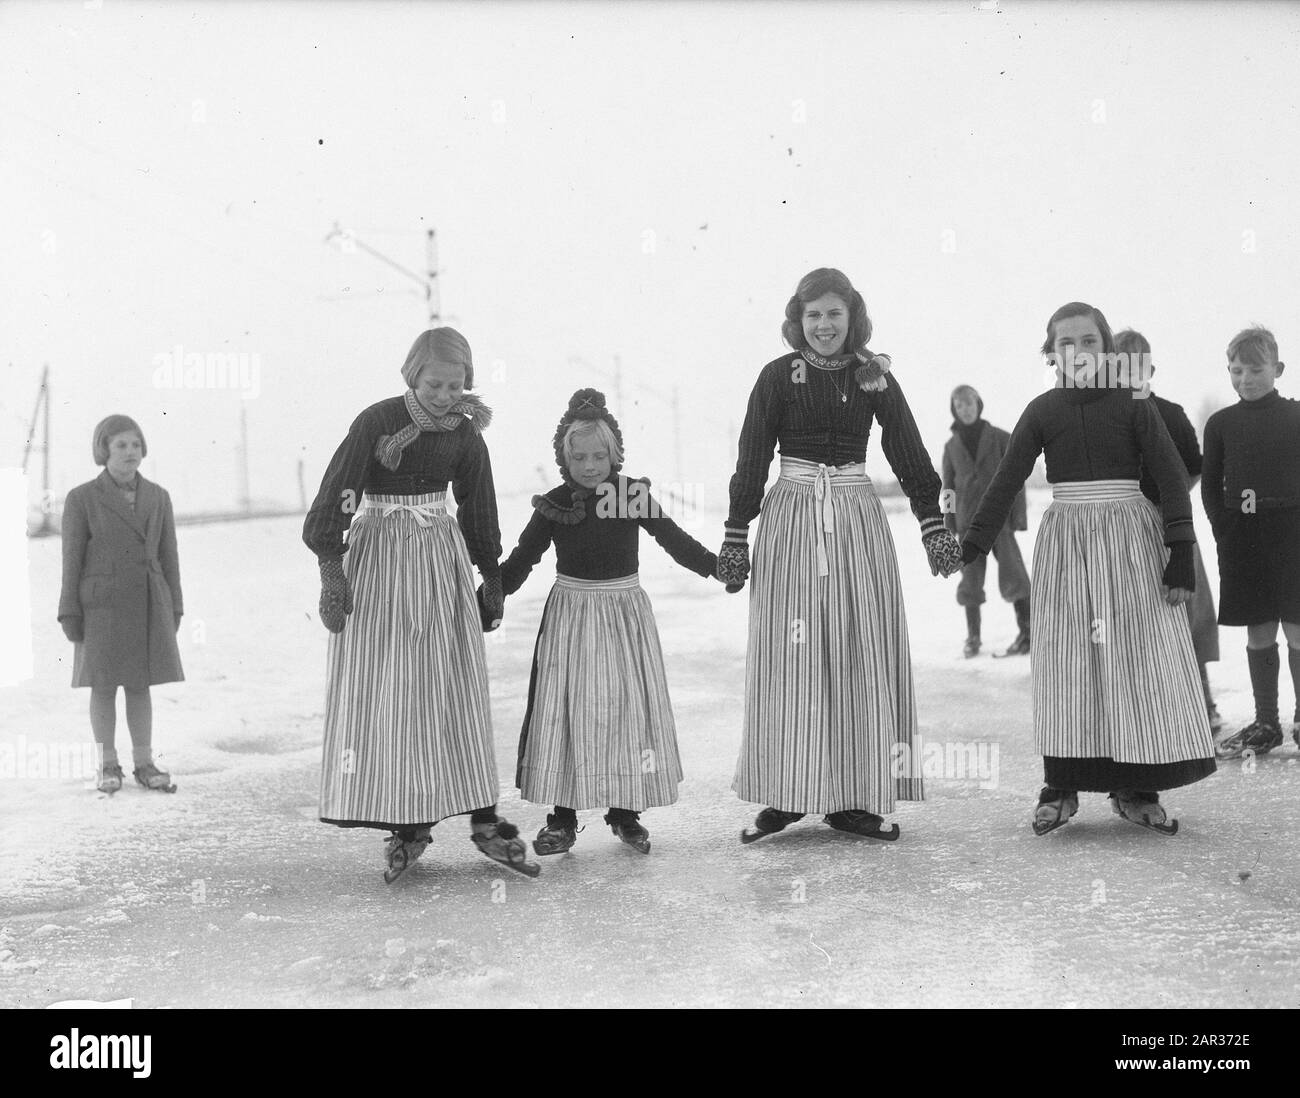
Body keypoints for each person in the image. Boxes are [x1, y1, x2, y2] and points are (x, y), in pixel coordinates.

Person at [717, 267, 962, 845]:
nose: (823, 325)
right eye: (812, 315)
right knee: (791, 653)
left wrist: (933, 523)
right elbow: (752, 454)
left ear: (853, 318)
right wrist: (734, 532)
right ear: (796, 321)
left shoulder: (872, 375)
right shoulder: (777, 376)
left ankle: (856, 796)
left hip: (855, 514)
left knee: (859, 647)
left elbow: (906, 446)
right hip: (793, 517)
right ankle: (788, 790)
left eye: (834, 313)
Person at [962, 302, 1215, 836]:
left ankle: (1137, 784)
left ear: (1107, 350)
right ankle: (1061, 784)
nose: (1077, 352)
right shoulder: (1041, 411)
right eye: (1065, 342)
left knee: (1132, 657)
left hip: (1130, 537)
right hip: (1067, 540)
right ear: (1051, 352)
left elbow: (1172, 478)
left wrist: (1181, 555)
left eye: (1089, 341)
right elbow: (1005, 481)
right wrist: (972, 544)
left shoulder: (1133, 404)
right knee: (1067, 660)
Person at [303, 327, 539, 882]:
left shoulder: (464, 432)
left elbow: (478, 504)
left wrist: (490, 577)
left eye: (456, 386)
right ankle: (408, 821)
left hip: (437, 561)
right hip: (382, 560)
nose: (444, 395)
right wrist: (331, 570)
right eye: (435, 384)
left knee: (450, 685)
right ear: (413, 375)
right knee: (396, 688)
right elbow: (339, 490)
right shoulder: (377, 421)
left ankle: (485, 818)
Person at [498, 389, 720, 856]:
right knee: (566, 709)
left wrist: (717, 566)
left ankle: (624, 810)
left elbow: (673, 539)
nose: (591, 465)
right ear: (564, 457)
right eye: (579, 457)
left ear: (615, 453)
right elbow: (522, 558)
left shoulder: (630, 496)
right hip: (571, 615)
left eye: (600, 455)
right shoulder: (555, 504)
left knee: (624, 709)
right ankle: (562, 816)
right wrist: (489, 596)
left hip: (623, 613)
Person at [58, 415, 184, 795]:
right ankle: (107, 764)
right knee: (102, 686)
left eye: (135, 444)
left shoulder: (158, 496)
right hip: (101, 607)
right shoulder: (82, 498)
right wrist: (69, 611)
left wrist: (174, 605)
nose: (130, 452)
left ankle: (144, 763)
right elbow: (71, 559)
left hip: (148, 602)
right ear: (103, 451)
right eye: (120, 446)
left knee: (140, 685)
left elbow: (169, 556)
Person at [1113, 328, 1222, 731]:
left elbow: (1195, 466)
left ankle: (1202, 700)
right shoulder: (1102, 421)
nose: (1128, 375)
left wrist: (1170, 505)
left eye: (1137, 367)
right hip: (1122, 529)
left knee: (1189, 612)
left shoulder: (1171, 413)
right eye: (1119, 367)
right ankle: (1143, 705)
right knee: (1133, 617)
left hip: (1171, 525)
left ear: (1151, 369)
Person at [1202, 327, 1300, 758]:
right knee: (1259, 629)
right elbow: (1209, 486)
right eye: (1237, 371)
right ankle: (1265, 722)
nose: (1246, 379)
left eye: (1256, 370)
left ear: (1277, 369)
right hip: (1246, 540)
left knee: (1297, 627)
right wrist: (1224, 529)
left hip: (1295, 537)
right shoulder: (1221, 424)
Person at [941, 384, 1031, 658]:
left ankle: (1027, 633)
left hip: (999, 521)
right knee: (969, 581)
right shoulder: (951, 446)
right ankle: (973, 637)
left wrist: (1018, 516)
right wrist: (949, 524)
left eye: (969, 404)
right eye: (959, 406)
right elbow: (948, 489)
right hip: (967, 525)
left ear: (978, 404)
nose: (965, 409)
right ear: (954, 410)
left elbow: (1017, 479)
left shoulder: (1000, 438)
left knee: (1014, 575)